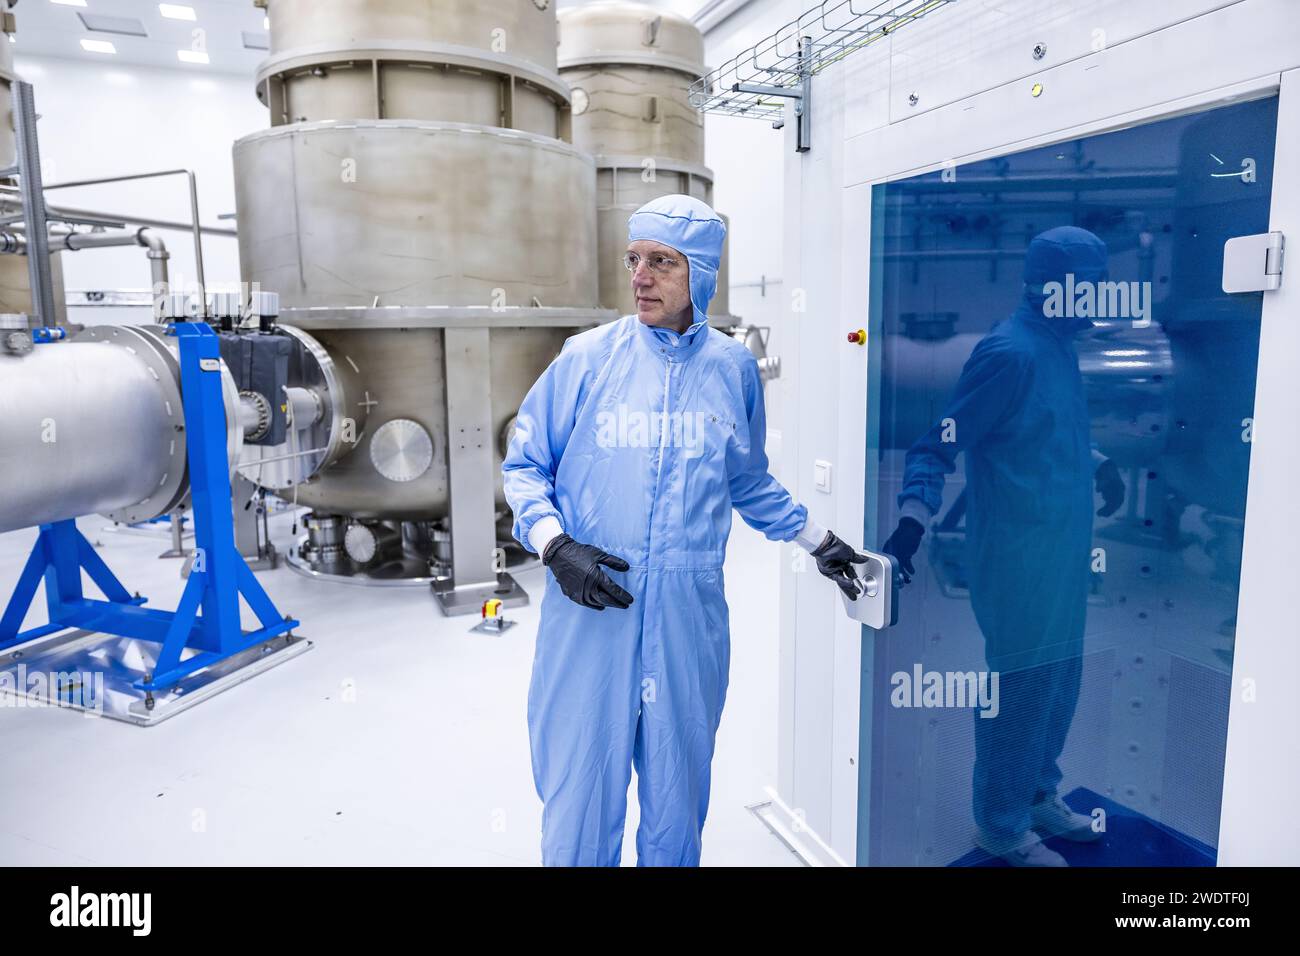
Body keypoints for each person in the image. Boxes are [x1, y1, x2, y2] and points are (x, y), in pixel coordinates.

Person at [503, 194, 863, 866]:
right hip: (592, 608)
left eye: (661, 262)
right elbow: (524, 466)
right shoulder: (586, 359)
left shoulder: (731, 370)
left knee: (678, 793)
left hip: (687, 617)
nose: (640, 275)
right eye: (634, 259)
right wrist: (555, 547)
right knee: (579, 786)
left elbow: (747, 479)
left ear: (700, 273)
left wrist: (819, 540)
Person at [880, 226, 1126, 866]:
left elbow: (1040, 429)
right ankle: (999, 824)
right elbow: (939, 443)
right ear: (1056, 287)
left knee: (1059, 680)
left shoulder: (1057, 346)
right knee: (1020, 691)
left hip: (1062, 554)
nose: (1098, 301)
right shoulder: (1009, 353)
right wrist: (911, 523)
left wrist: (1097, 463)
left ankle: (1039, 793)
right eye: (1090, 288)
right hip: (1017, 562)